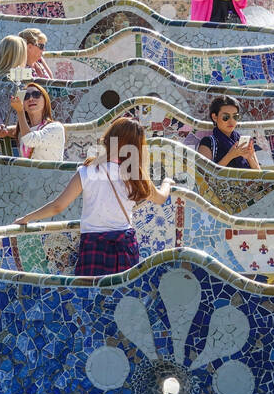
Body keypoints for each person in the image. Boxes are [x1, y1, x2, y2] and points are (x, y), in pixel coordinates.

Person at [14, 117, 174, 276]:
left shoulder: (88, 171)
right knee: (123, 297)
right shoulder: (135, 175)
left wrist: (27, 218)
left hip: (94, 246)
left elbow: (58, 206)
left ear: (109, 139)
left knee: (92, 298)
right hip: (125, 246)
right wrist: (166, 182)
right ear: (138, 146)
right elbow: (160, 198)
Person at [0, 81, 65, 161]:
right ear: (23, 103)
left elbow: (30, 139)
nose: (31, 99)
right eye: (26, 96)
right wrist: (3, 131)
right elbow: (16, 131)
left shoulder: (56, 128)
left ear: (45, 100)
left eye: (36, 94)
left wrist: (20, 111)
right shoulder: (22, 130)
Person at [197, 96, 261, 169]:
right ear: (214, 117)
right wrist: (230, 156)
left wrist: (249, 157)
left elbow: (259, 175)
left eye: (235, 116)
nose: (231, 121)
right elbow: (205, 173)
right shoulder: (208, 142)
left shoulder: (242, 141)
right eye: (226, 117)